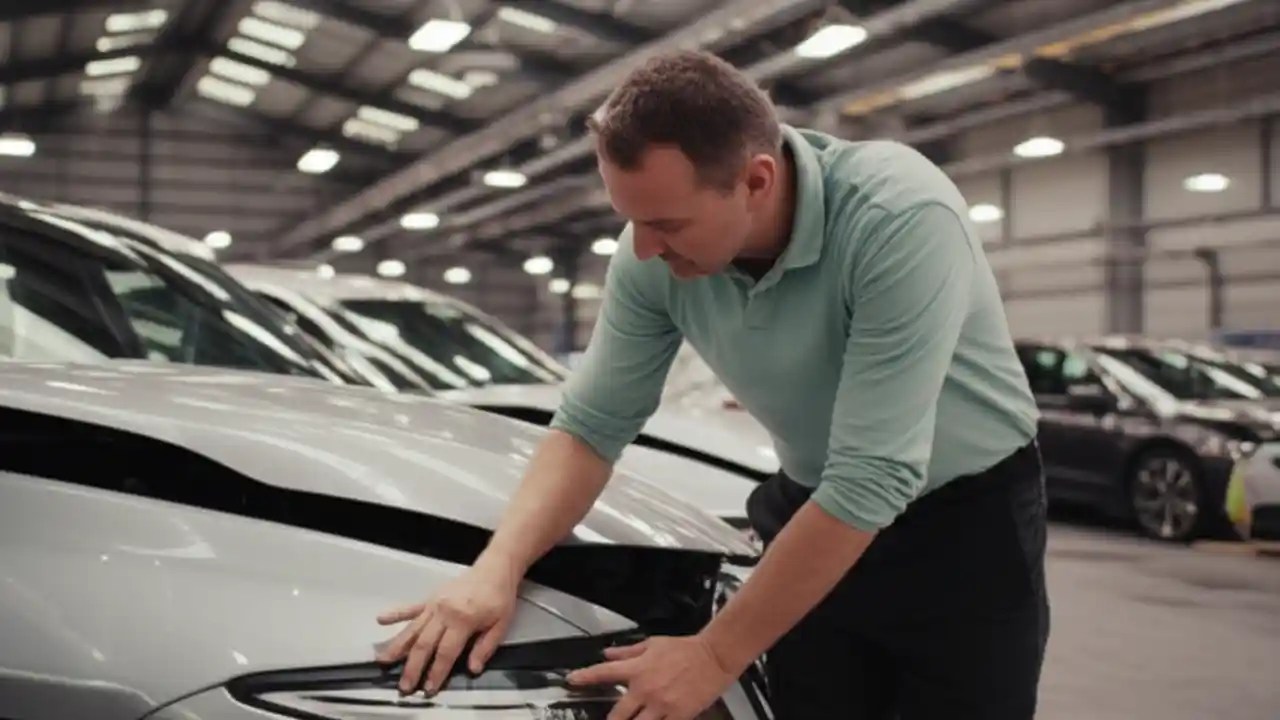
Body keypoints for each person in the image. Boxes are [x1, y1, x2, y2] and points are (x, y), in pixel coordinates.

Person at [375, 49, 1050, 720]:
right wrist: (498, 567)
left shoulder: (898, 216)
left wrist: (713, 655)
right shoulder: (650, 257)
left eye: (667, 223)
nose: (642, 249)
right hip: (814, 516)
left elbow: (874, 475)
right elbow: (590, 427)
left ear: (755, 181)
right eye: (632, 219)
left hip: (964, 531)